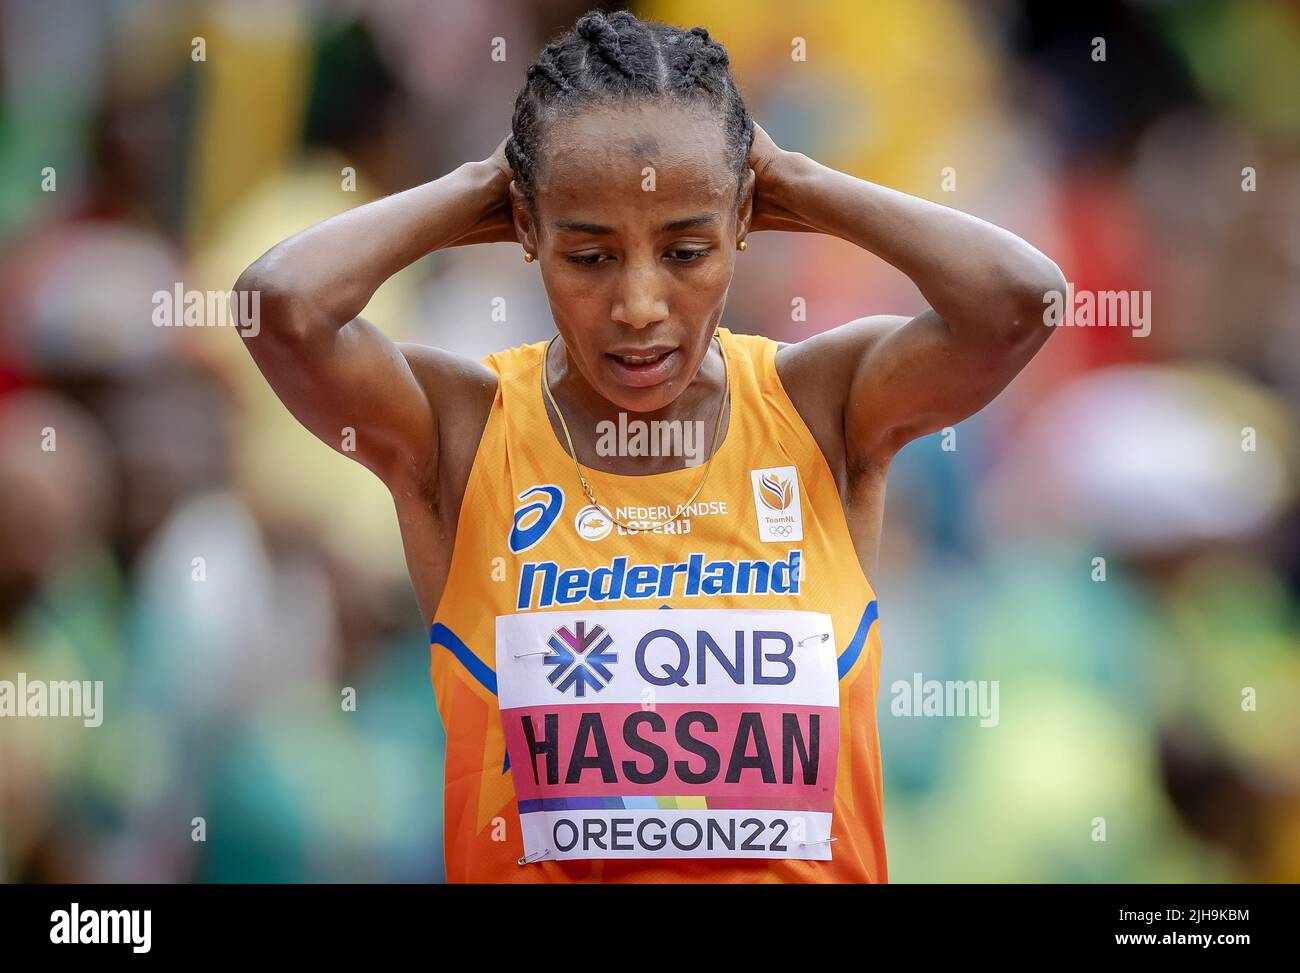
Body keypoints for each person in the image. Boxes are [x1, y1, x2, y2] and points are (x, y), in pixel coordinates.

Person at [234, 9, 1064, 883]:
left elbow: (1022, 302)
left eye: (687, 249)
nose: (639, 303)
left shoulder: (824, 409)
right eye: (589, 256)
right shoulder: (465, 434)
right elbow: (279, 308)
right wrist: (488, 184)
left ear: (744, 217)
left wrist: (799, 180)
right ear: (528, 232)